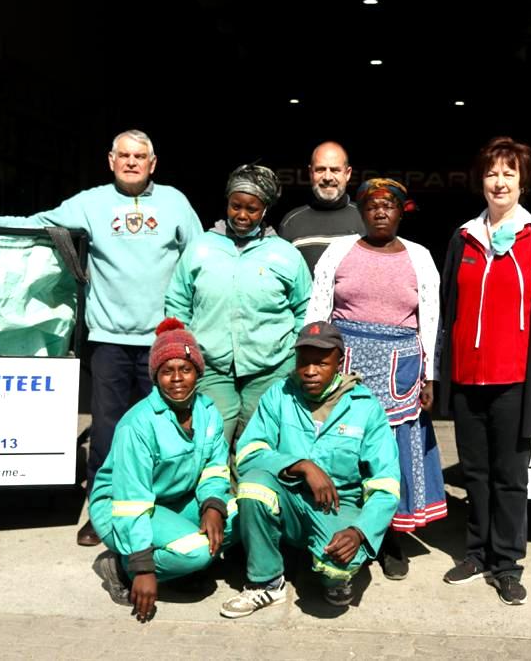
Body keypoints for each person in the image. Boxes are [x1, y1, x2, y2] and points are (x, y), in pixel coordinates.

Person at [0, 130, 203, 546]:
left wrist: (191, 329)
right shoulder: (90, 203)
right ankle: (102, 512)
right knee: (107, 432)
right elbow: (36, 224)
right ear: (111, 160)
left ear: (153, 163)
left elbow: (200, 260)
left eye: (139, 156)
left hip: (162, 342)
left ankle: (164, 509)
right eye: (124, 155)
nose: (131, 162)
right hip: (109, 339)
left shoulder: (175, 203)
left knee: (165, 430)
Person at [438, 136, 531, 605]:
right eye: (492, 173)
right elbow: (449, 303)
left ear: (522, 182)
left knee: (510, 476)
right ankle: (476, 553)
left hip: (515, 378)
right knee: (475, 473)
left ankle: (507, 563)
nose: (500, 182)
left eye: (509, 173)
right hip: (468, 377)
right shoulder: (463, 237)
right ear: (481, 181)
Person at [305, 177, 445, 580]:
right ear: (361, 212)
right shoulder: (339, 251)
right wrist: (312, 360)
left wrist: (430, 376)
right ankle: (341, 524)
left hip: (400, 367)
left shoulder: (419, 257)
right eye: (372, 206)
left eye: (389, 206)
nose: (381, 212)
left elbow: (430, 318)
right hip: (346, 363)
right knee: (346, 443)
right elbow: (318, 309)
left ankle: (390, 537)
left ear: (401, 212)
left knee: (392, 451)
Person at [220, 321, 400, 618]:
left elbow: (386, 483)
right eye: (303, 362)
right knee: (253, 486)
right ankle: (266, 582)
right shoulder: (279, 395)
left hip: (337, 508)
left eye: (321, 363)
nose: (310, 371)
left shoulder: (365, 407)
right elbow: (249, 453)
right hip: (288, 500)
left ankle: (333, 574)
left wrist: (359, 531)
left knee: (338, 565)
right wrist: (301, 466)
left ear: (339, 363)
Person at [88, 317, 235, 623]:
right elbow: (131, 499)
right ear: (156, 377)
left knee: (241, 513)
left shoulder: (208, 412)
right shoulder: (138, 424)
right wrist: (142, 566)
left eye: (185, 369)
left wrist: (212, 504)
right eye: (167, 371)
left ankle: (179, 566)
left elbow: (215, 467)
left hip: (172, 500)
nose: (177, 378)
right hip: (124, 508)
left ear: (198, 372)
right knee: (197, 551)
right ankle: (120, 568)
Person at [165, 164, 311, 446]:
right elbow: (178, 301)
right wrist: (185, 346)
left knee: (259, 441)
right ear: (227, 204)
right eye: (236, 206)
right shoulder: (201, 247)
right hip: (211, 364)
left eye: (252, 209)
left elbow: (305, 307)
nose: (242, 215)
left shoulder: (285, 254)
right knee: (211, 436)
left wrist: (292, 354)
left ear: (265, 210)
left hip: (271, 368)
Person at [278, 141, 365, 274]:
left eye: (335, 170)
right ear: (310, 173)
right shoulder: (291, 222)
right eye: (320, 169)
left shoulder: (365, 218)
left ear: (347, 174)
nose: (327, 177)